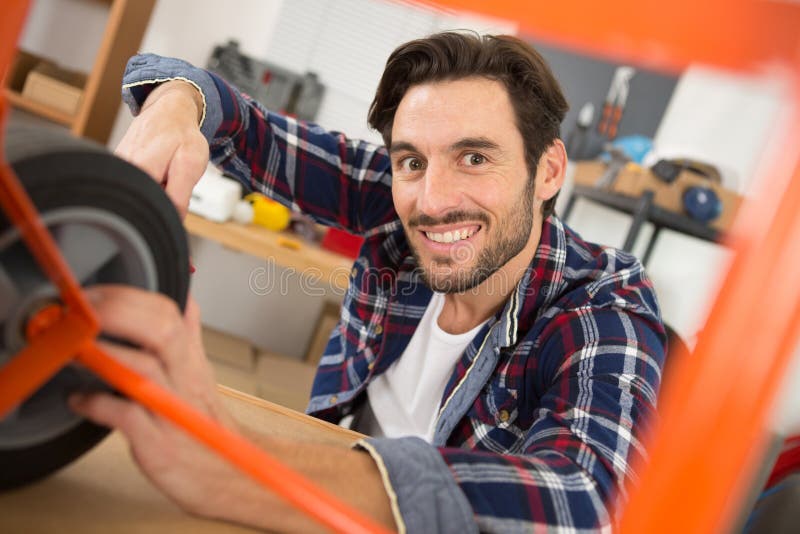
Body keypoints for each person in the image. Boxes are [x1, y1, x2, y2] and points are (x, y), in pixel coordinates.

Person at [71, 32, 666, 532]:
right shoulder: (397, 192)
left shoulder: (604, 308)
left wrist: (244, 467)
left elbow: (588, 501)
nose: (431, 201)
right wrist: (176, 103)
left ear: (549, 171)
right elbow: (247, 129)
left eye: (475, 158)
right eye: (412, 161)